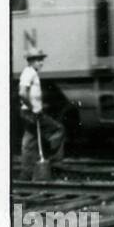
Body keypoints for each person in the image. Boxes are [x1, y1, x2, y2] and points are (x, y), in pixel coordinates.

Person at [19, 48, 65, 179]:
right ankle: (56, 165)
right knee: (58, 129)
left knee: (30, 141)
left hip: (28, 112)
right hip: (31, 113)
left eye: (41, 60)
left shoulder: (30, 72)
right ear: (31, 61)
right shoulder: (29, 73)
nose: (41, 63)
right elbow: (22, 93)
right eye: (39, 60)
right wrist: (32, 107)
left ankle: (26, 174)